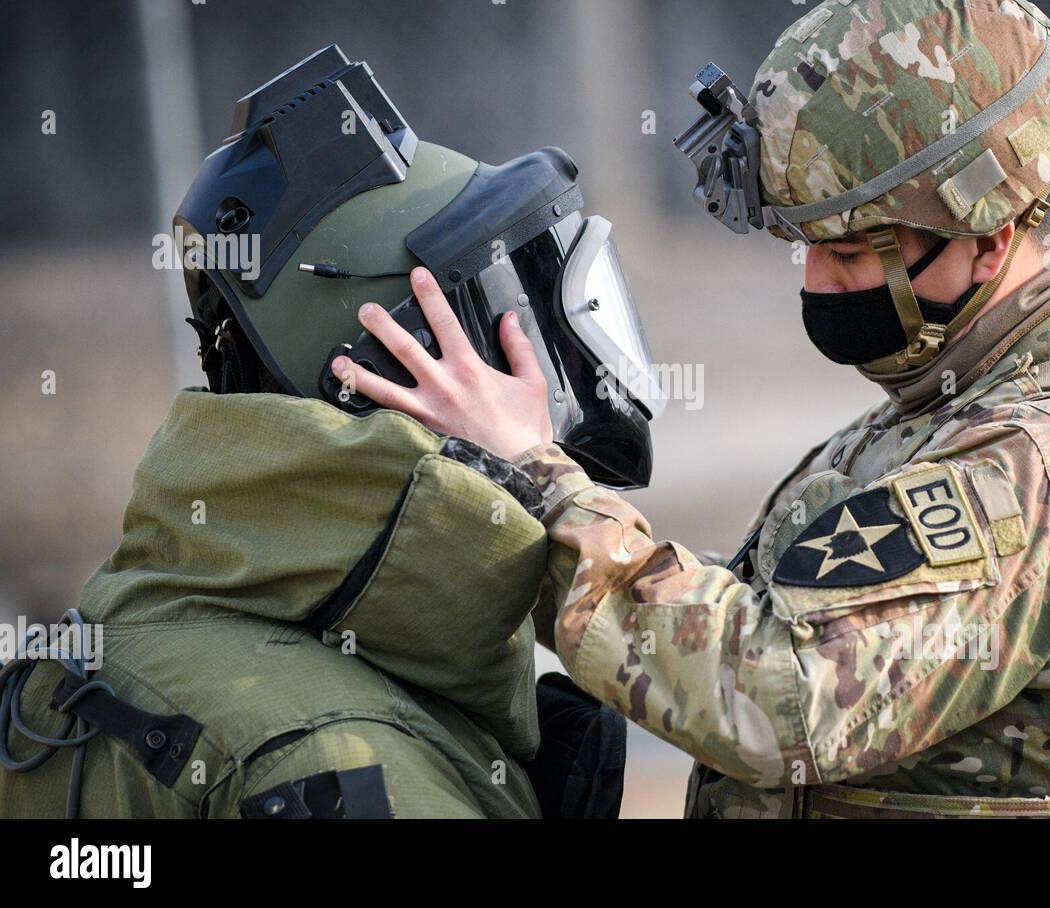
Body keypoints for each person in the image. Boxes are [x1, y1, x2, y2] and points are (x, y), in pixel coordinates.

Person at [336, 0, 1050, 819]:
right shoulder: (951, 404)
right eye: (805, 250)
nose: (815, 285)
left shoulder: (1040, 461)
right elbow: (802, 614)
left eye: (845, 253)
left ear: (989, 239)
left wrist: (534, 481)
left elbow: (780, 696)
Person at [0, 44, 644, 818]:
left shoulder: (126, 630)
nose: (531, 385)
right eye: (493, 328)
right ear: (387, 372)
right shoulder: (341, 763)